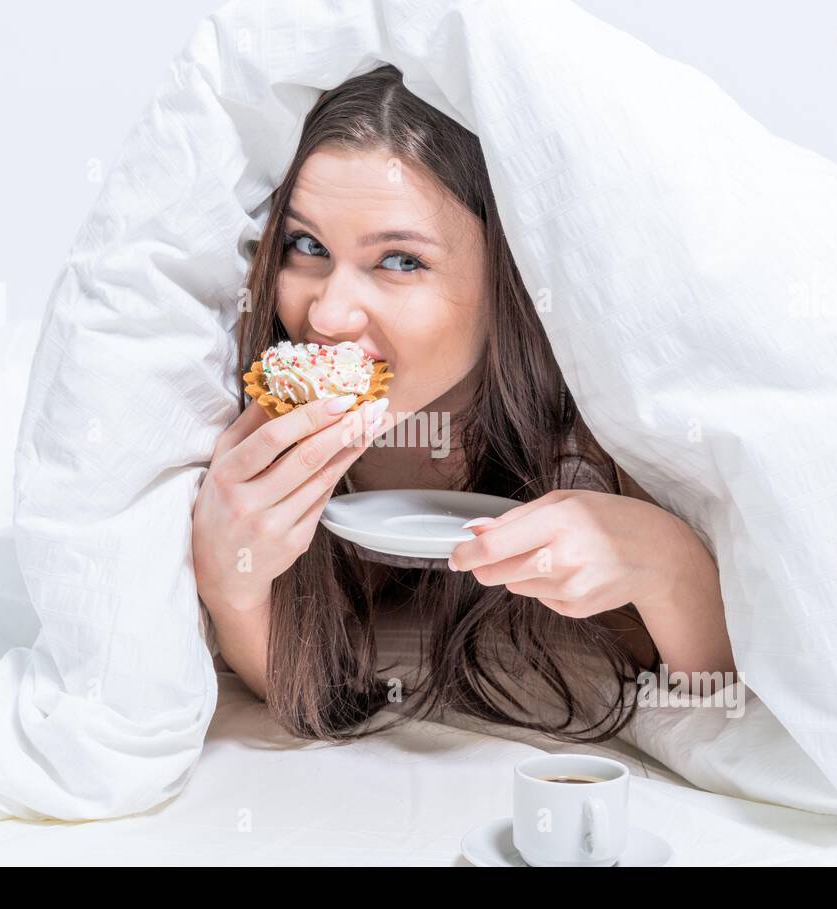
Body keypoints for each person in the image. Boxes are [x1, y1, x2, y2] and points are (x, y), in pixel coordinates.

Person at [192, 64, 734, 745]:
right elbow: (307, 697)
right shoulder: (246, 424)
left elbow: (728, 717)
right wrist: (232, 582)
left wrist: (669, 566)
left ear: (510, 276)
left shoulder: (607, 437)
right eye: (308, 247)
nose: (327, 315)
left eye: (399, 260)